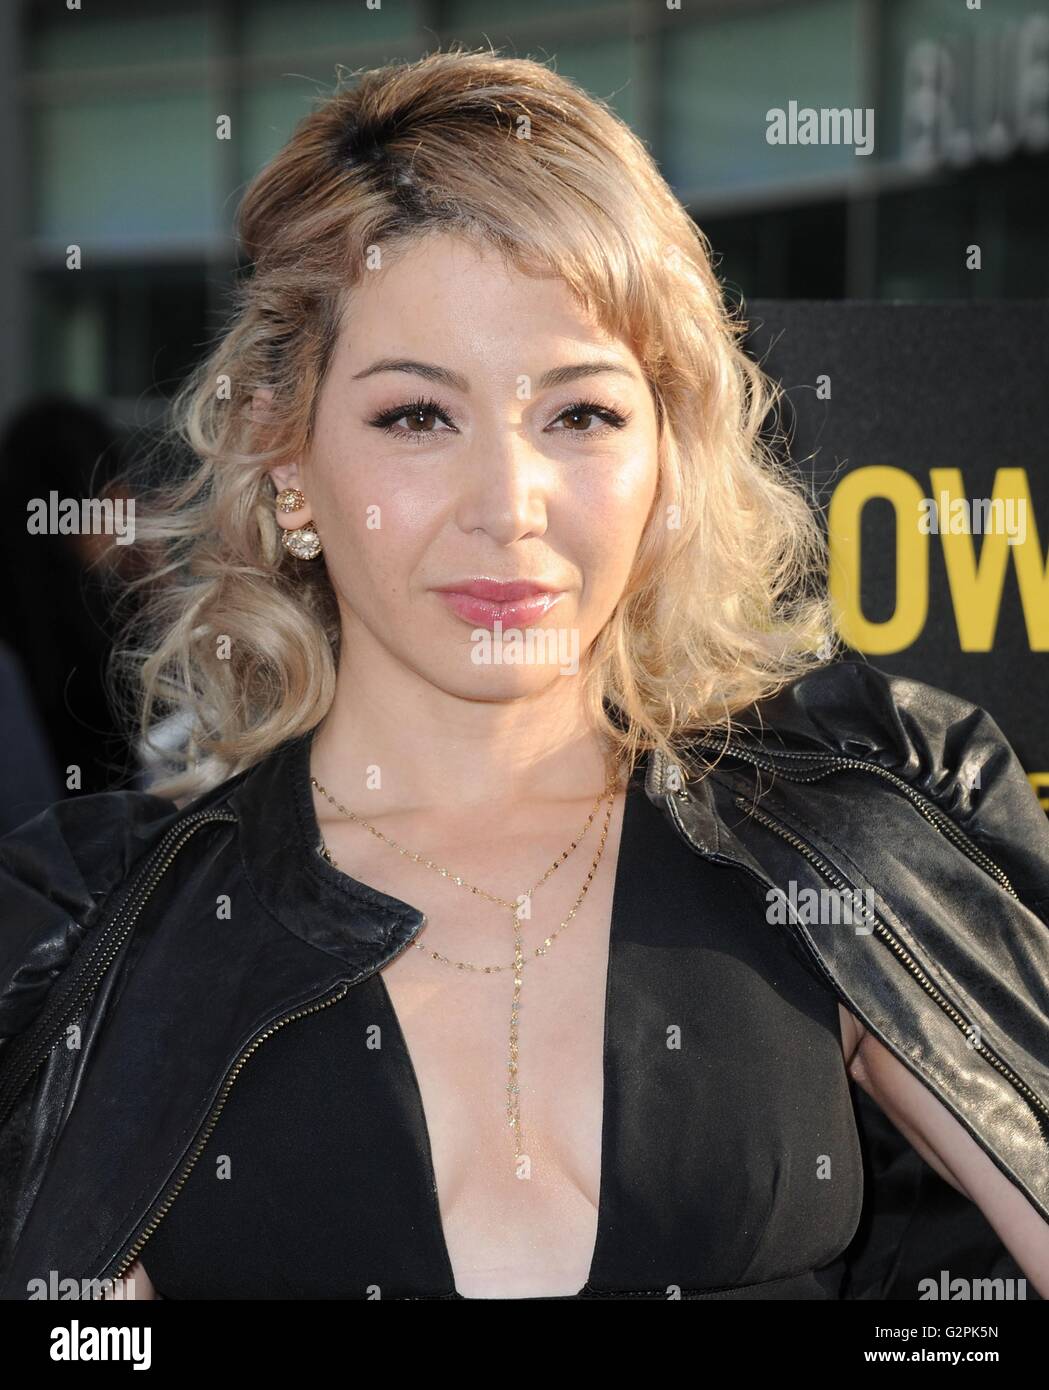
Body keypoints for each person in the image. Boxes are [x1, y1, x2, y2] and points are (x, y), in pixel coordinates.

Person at [1, 47, 1047, 1303]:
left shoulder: (848, 838)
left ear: (670, 457)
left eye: (580, 414)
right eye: (416, 416)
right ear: (288, 464)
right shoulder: (93, 929)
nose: (509, 506)